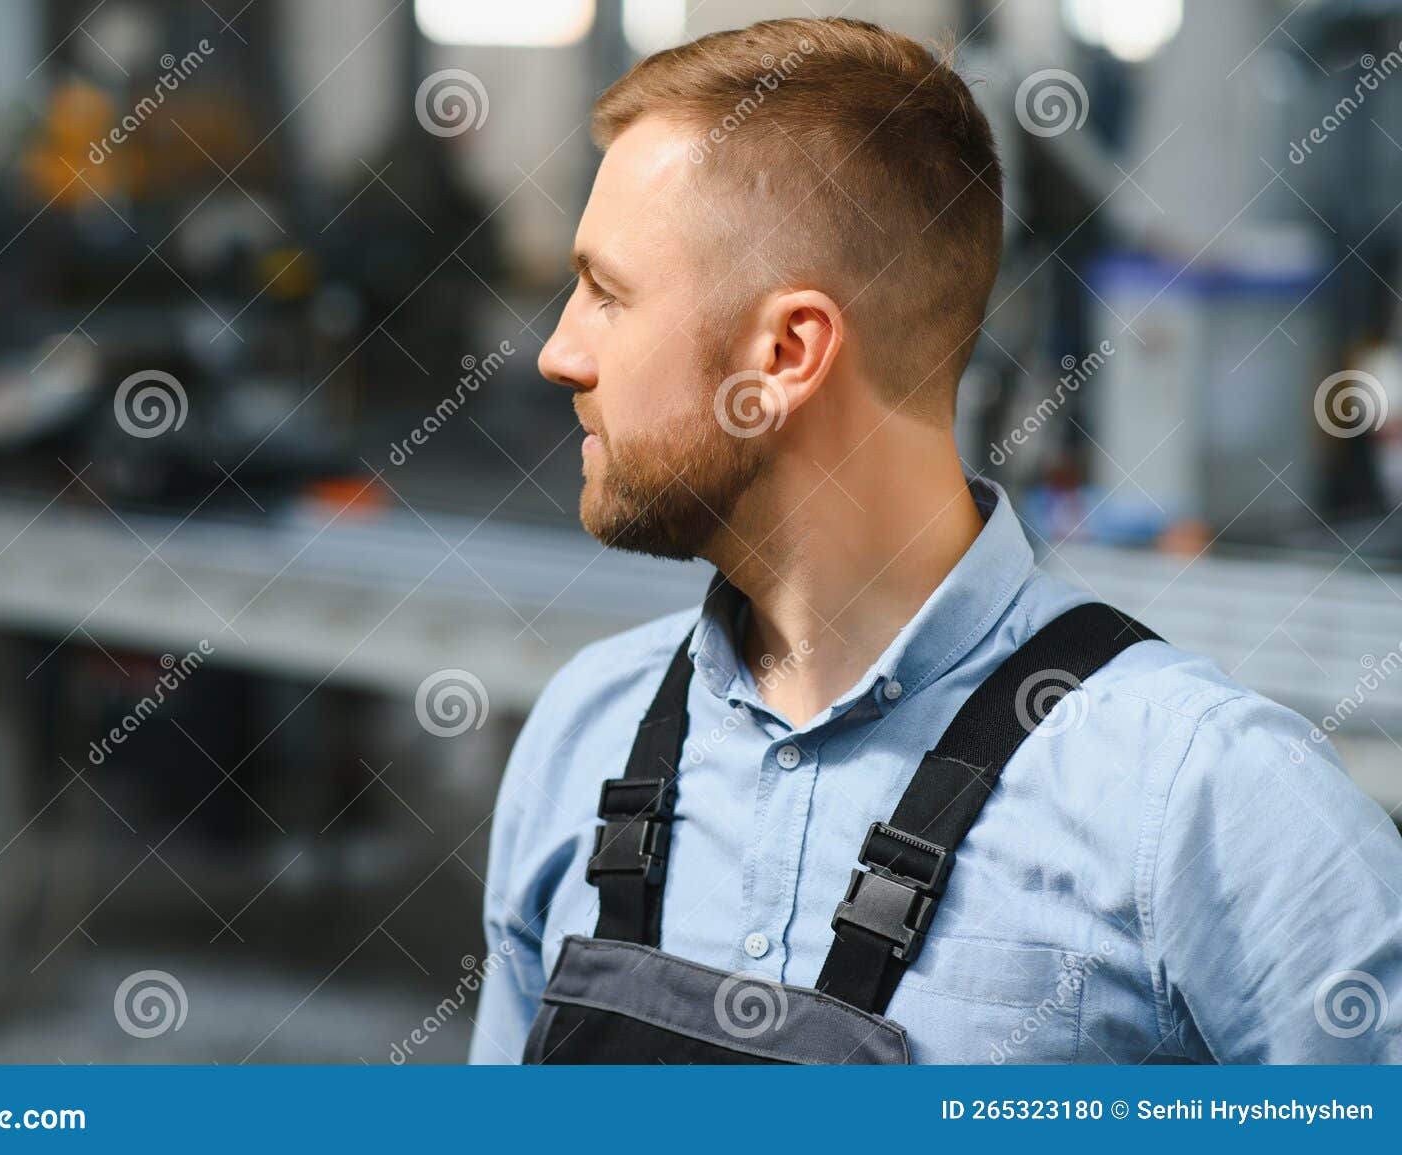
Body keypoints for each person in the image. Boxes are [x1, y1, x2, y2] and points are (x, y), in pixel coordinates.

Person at [468, 16, 1402, 1064]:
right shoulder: (584, 735)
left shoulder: (1205, 804)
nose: (558, 352)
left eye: (607, 294)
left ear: (784, 353)